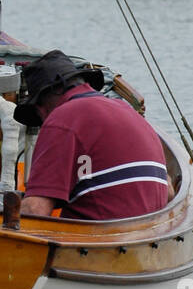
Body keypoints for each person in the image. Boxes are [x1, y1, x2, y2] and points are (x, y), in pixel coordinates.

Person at [14, 51, 172, 221]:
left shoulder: (62, 119)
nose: (42, 121)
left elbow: (35, 210)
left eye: (38, 115)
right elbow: (169, 192)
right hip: (152, 229)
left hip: (103, 236)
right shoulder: (126, 109)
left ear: (42, 105)